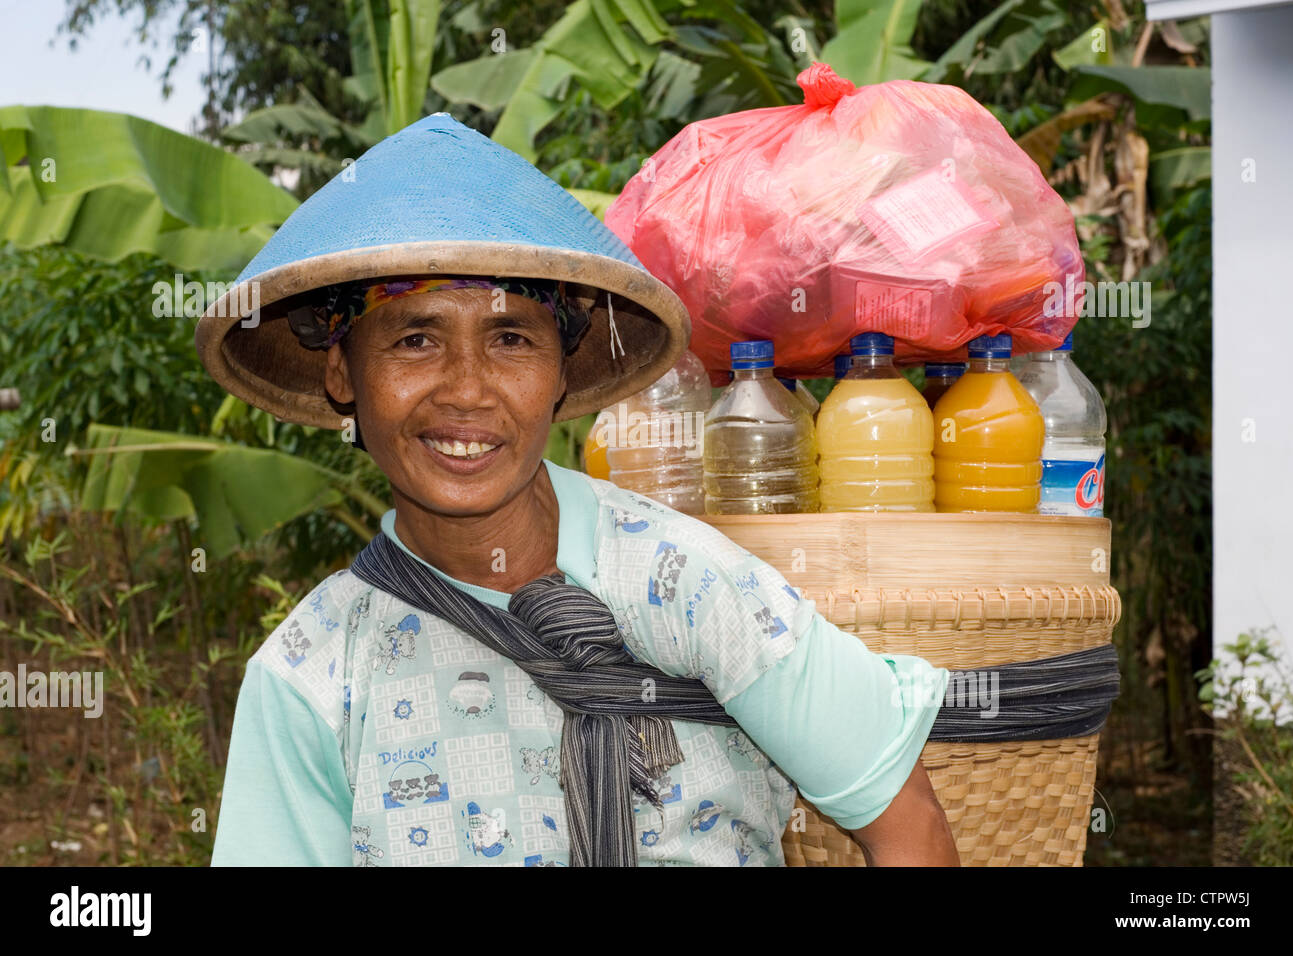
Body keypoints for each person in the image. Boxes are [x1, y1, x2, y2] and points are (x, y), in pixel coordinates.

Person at [197, 112, 958, 867]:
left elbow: (909, 830)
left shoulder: (690, 584)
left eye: (511, 340)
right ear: (343, 374)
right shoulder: (313, 675)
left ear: (562, 370)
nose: (467, 392)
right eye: (415, 340)